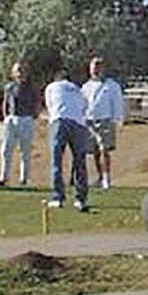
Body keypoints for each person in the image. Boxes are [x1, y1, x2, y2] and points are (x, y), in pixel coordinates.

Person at [44, 67, 91, 212]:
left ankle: (58, 197)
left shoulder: (51, 87)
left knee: (56, 160)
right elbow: (85, 106)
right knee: (79, 161)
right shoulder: (77, 89)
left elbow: (50, 105)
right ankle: (80, 199)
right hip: (78, 124)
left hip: (59, 121)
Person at [81, 56, 125, 189]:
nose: (95, 71)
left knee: (104, 150)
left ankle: (107, 178)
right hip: (89, 121)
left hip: (105, 120)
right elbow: (83, 104)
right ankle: (99, 177)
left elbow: (117, 103)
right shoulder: (86, 86)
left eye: (98, 68)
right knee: (94, 151)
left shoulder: (111, 85)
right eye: (93, 68)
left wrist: (118, 120)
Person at [0, 61, 39, 187]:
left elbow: (37, 103)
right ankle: (4, 176)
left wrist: (32, 116)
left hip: (26, 119)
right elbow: (5, 103)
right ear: (13, 73)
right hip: (12, 119)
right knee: (6, 149)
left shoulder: (32, 88)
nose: (20, 73)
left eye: (22, 70)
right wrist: (6, 116)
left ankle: (24, 178)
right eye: (17, 71)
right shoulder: (9, 87)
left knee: (25, 150)